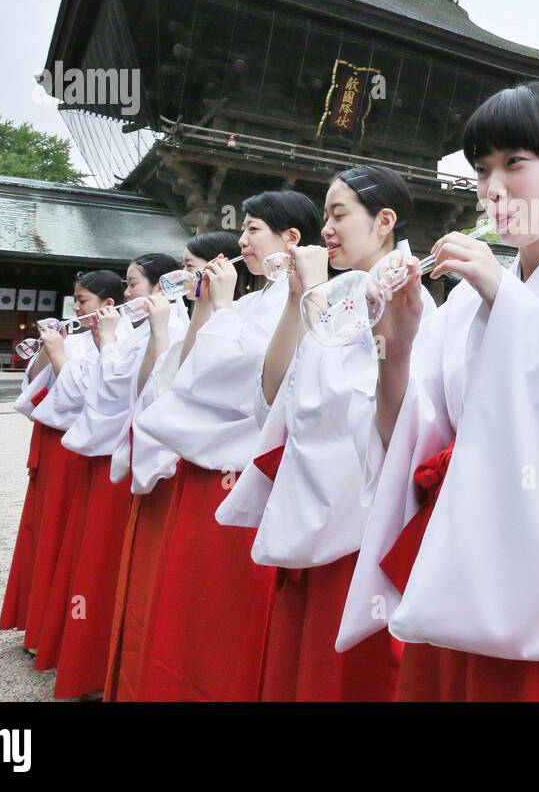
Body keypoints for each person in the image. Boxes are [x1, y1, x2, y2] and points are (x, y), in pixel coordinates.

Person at [338, 82, 539, 701]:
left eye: (516, 162)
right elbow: (408, 444)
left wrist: (504, 298)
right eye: (482, 170)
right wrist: (399, 345)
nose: (494, 188)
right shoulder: (462, 300)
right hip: (457, 573)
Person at [216, 165, 435, 700]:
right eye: (327, 215)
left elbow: (341, 403)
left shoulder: (404, 294)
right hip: (313, 503)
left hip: (353, 520)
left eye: (339, 215)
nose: (327, 228)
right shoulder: (338, 291)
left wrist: (313, 290)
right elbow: (274, 396)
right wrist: (298, 297)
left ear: (384, 221)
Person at [133, 193, 322, 700]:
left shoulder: (297, 300)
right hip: (207, 469)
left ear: (291, 240)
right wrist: (208, 307)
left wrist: (219, 307)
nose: (241, 241)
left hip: (242, 476)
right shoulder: (253, 301)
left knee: (226, 621)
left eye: (254, 229)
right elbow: (184, 379)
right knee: (192, 611)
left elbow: (235, 381)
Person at [105, 232, 241, 701]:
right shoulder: (178, 317)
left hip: (203, 466)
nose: (180, 279)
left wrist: (173, 327)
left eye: (189, 267)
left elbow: (206, 388)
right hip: (170, 454)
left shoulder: (229, 315)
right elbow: (146, 393)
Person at [48, 253, 182, 699]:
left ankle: (101, 664)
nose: (128, 295)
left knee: (108, 561)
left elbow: (119, 393)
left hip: (126, 455)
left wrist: (103, 344)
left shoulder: (155, 329)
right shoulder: (132, 330)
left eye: (133, 285)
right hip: (111, 448)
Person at [13, 270, 124, 675]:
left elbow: (83, 394)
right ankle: (37, 622)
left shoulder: (113, 340)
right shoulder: (76, 337)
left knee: (63, 536)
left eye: (84, 300)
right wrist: (48, 350)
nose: (76, 307)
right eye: (75, 300)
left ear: (108, 304)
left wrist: (60, 354)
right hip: (50, 439)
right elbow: (33, 385)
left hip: (74, 445)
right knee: (41, 533)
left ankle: (54, 630)